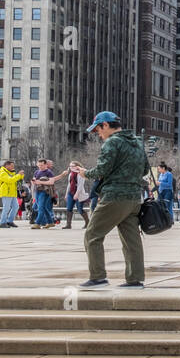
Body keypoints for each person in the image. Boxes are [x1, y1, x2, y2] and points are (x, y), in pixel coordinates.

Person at [74, 111, 148, 289]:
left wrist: (85, 173)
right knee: (132, 240)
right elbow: (145, 169)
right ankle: (134, 279)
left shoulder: (112, 142)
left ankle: (98, 277)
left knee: (92, 235)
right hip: (134, 197)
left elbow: (103, 169)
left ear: (105, 125)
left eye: (98, 130)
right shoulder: (137, 142)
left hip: (114, 196)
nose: (98, 134)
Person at [0, 161, 24, 228]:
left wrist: (21, 176)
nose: (13, 167)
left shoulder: (11, 173)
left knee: (16, 206)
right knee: (6, 208)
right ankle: (2, 223)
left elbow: (15, 181)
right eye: (11, 166)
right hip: (6, 192)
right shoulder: (2, 173)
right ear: (6, 166)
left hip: (12, 193)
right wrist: (18, 175)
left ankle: (9, 221)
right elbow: (10, 180)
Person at [31, 159, 58, 229]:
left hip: (45, 192)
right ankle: (50, 222)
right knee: (43, 207)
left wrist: (40, 182)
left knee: (40, 208)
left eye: (42, 165)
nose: (40, 167)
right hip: (37, 191)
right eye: (39, 165)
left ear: (46, 165)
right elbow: (34, 180)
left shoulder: (49, 172)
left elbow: (51, 182)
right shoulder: (37, 172)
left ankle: (37, 223)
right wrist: (33, 181)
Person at [64, 162, 91, 229]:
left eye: (73, 166)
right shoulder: (70, 174)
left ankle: (87, 222)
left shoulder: (80, 174)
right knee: (69, 208)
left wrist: (76, 194)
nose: (71, 167)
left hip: (79, 193)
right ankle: (68, 225)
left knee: (79, 209)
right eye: (70, 166)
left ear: (77, 166)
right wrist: (66, 194)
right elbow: (69, 185)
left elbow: (80, 185)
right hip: (71, 193)